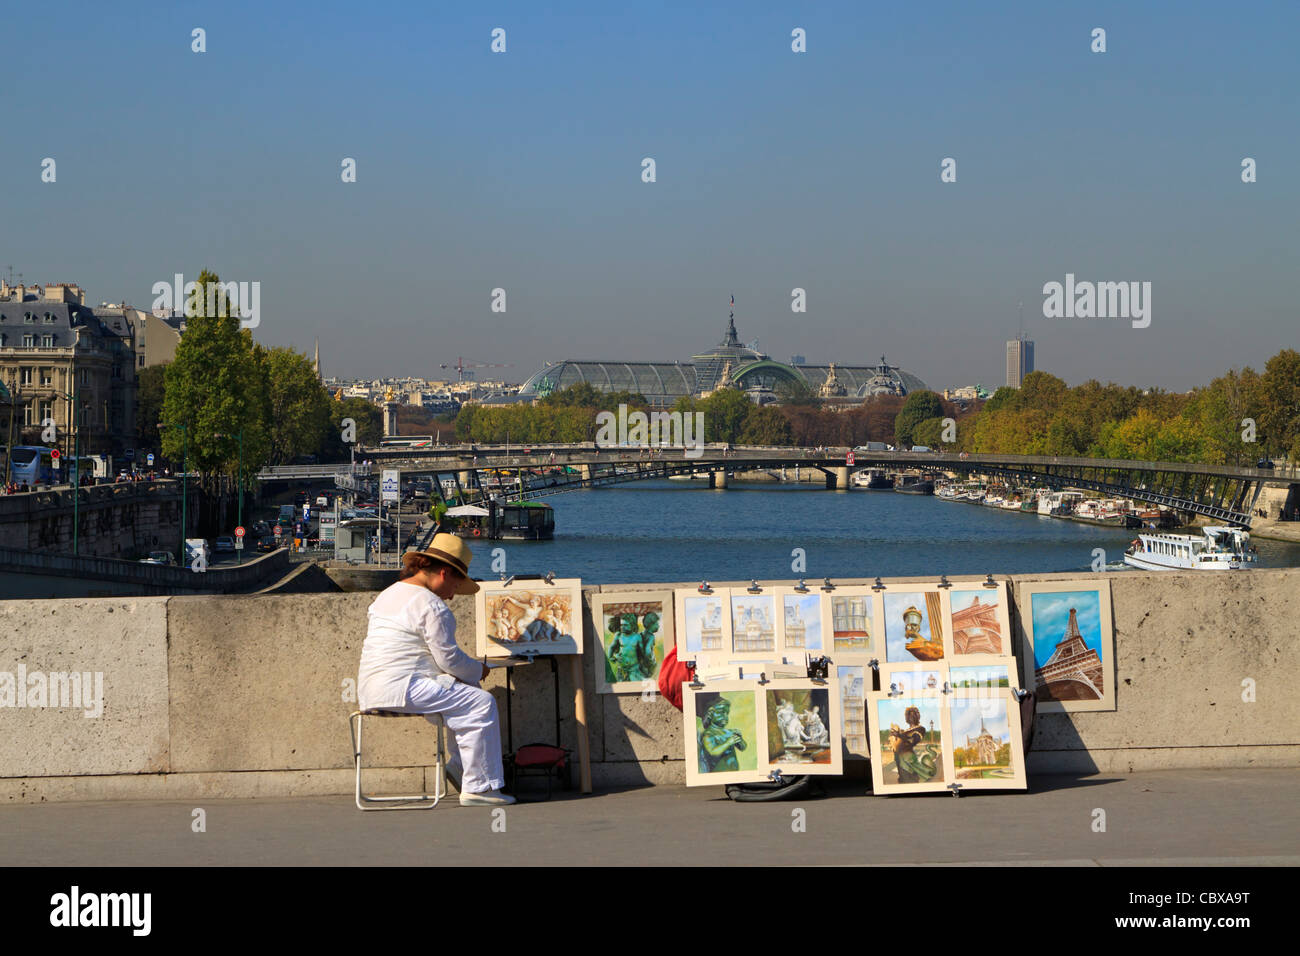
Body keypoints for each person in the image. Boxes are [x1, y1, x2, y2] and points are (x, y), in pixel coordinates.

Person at [357, 533, 514, 806]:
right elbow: (449, 659)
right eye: (455, 585)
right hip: (405, 687)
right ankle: (480, 787)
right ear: (443, 573)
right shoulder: (431, 604)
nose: (453, 596)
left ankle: (461, 768)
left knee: (465, 695)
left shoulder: (387, 594)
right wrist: (480, 670)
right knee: (481, 702)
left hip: (371, 689)